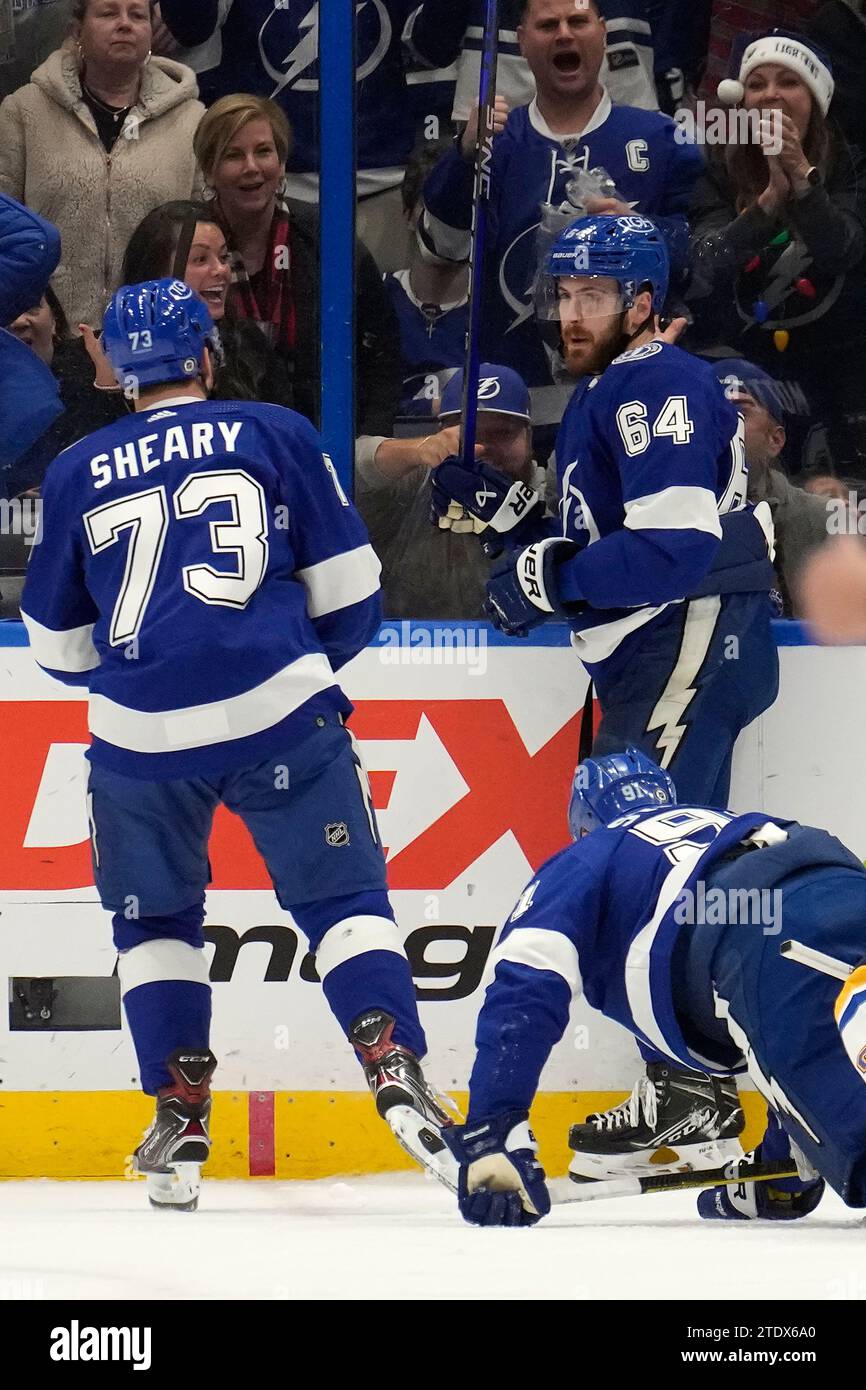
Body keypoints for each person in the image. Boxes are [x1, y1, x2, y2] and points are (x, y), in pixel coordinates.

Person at [19, 277, 457, 1210]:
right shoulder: (276, 432)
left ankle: (178, 1112)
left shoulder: (74, 468)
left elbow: (57, 648)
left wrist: (152, 670)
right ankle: (390, 1058)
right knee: (344, 900)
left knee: (153, 920)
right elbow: (352, 597)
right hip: (280, 712)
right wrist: (283, 664)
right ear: (205, 357)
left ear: (120, 376)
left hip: (137, 738)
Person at [432, 212, 780, 1173]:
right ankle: (689, 1093)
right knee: (642, 858)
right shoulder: (608, 392)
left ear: (642, 304)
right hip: (655, 649)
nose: (569, 314)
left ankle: (696, 1101)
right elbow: (592, 531)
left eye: (591, 297)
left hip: (690, 632)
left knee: (646, 857)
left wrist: (549, 576)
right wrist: (504, 513)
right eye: (563, 295)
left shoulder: (659, 381)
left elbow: (674, 547)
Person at [443, 748, 866, 1227]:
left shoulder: (588, 855)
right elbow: (790, 1050)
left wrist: (493, 1130)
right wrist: (781, 1171)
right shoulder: (720, 820)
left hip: (762, 945)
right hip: (843, 884)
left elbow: (525, 984)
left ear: (583, 824)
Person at [418, 0, 704, 439]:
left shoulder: (659, 136)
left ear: (603, 33)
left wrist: (645, 234)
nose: (564, 34)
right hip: (514, 403)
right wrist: (463, 158)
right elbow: (441, 248)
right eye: (548, 24)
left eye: (578, 21)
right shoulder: (493, 141)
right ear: (522, 40)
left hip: (636, 401)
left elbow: (702, 255)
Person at [686, 30, 866, 479]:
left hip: (840, 381)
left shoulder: (852, 165)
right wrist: (769, 201)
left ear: (816, 98)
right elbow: (707, 261)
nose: (771, 96)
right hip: (741, 374)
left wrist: (803, 183)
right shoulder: (715, 165)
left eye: (788, 82)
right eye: (757, 83)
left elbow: (842, 249)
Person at [193, 93, 401, 453]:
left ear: (282, 162)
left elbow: (381, 353)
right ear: (209, 170)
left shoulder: (328, 238)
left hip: (325, 445)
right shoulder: (184, 243)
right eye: (232, 155)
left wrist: (364, 444)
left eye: (263, 151)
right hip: (218, 450)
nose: (251, 167)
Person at [0, 0, 204, 328]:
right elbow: (5, 232)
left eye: (137, 15)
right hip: (50, 339)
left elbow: (201, 240)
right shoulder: (22, 112)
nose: (125, 24)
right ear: (78, 30)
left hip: (155, 339)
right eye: (109, 13)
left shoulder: (192, 121)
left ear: (151, 32)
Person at [359, 363, 551, 619]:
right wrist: (417, 450)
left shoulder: (552, 499)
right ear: (441, 435)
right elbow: (338, 468)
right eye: (469, 434)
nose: (483, 448)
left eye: (503, 434)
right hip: (403, 652)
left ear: (529, 438)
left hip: (535, 654)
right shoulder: (416, 484)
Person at [119, 200, 294, 407]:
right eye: (201, 259)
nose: (222, 270)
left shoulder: (249, 342)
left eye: (223, 257)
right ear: (157, 273)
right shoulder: (116, 352)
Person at [710, 357, 830, 616]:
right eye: (710, 410)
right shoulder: (667, 517)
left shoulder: (822, 523)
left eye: (740, 411)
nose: (723, 422)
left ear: (775, 440)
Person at [384, 143, 469, 434]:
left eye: (461, 212)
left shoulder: (494, 309)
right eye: (436, 211)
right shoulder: (376, 299)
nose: (448, 227)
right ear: (408, 215)